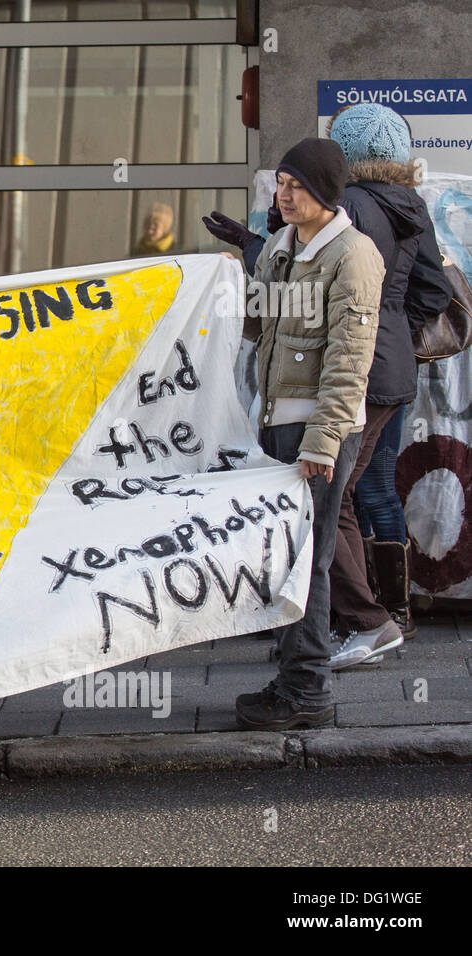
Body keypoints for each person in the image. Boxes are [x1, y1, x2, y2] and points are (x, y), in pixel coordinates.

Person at [204, 106, 451, 664]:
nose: (291, 197)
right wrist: (392, 328)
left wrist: (249, 245)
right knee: (367, 489)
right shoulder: (410, 206)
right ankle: (382, 616)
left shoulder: (353, 210)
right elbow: (433, 292)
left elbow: (304, 277)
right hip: (389, 372)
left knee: (327, 501)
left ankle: (365, 622)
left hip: (351, 371)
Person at [233, 138, 384, 731]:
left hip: (317, 433)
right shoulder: (282, 245)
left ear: (324, 191)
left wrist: (322, 445)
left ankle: (309, 691)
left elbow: (350, 360)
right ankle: (296, 677)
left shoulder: (354, 255)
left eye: (296, 186)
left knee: (308, 560)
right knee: (286, 556)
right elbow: (257, 321)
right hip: (277, 423)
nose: (284, 194)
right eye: (281, 183)